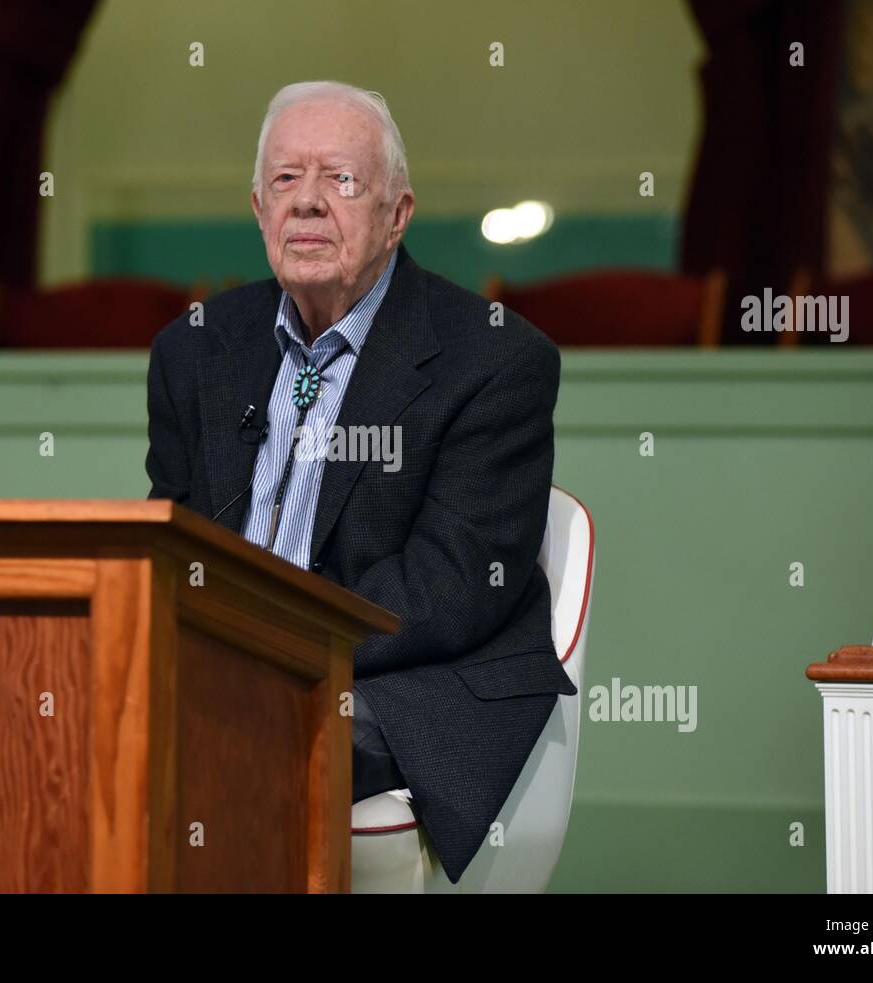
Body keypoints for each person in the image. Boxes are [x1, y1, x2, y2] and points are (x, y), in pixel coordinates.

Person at [146, 80, 574, 883]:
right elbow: (175, 540)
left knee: (239, 735)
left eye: (340, 179)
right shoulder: (193, 351)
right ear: (257, 207)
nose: (307, 203)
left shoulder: (495, 361)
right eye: (285, 180)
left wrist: (277, 650)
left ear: (397, 213)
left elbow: (453, 583)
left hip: (407, 678)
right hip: (231, 666)